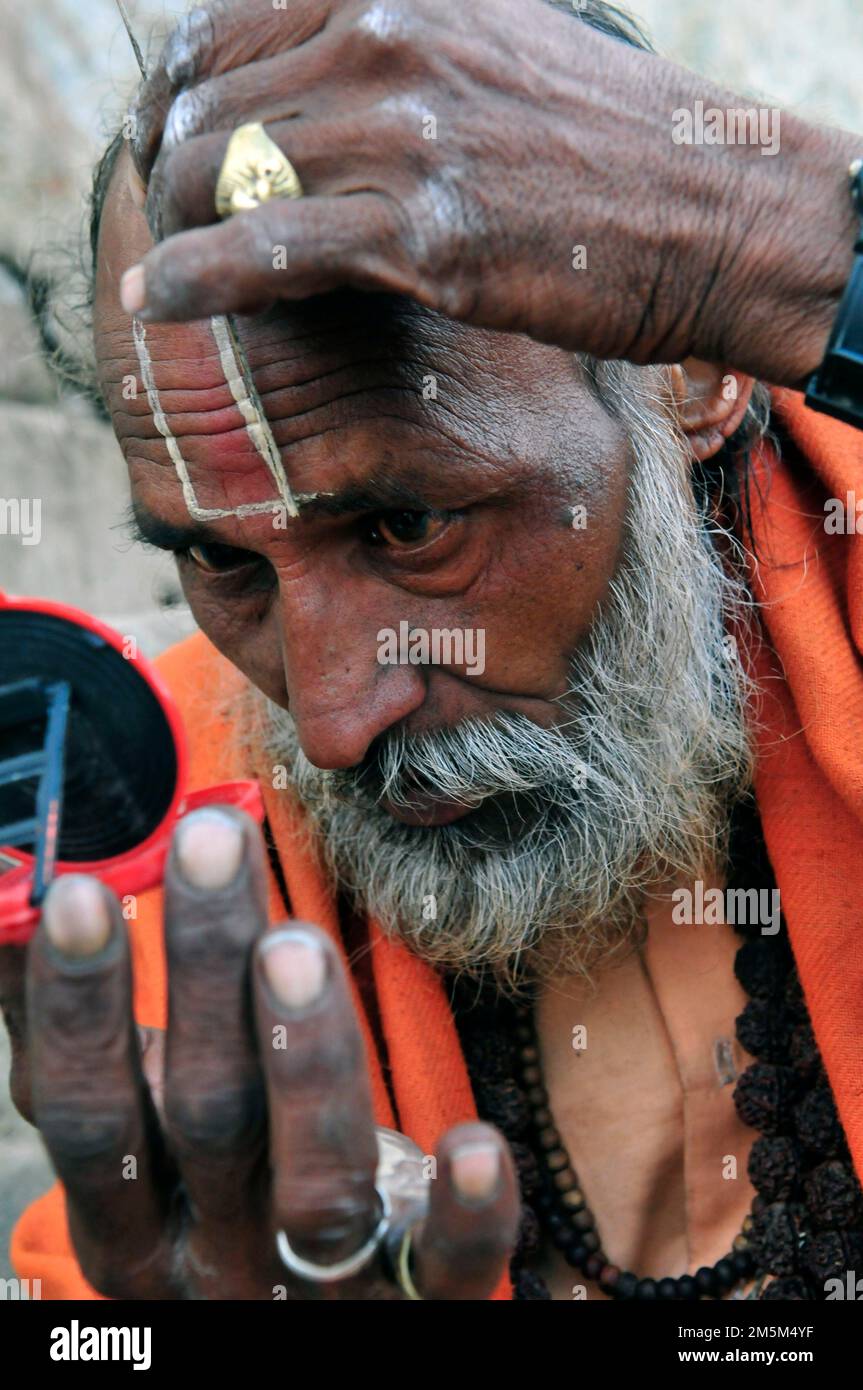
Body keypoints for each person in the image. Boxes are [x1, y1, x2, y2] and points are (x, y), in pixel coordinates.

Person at [4, 0, 863, 1300]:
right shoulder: (173, 846)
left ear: (690, 374)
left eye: (407, 522)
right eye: (224, 565)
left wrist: (787, 238)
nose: (333, 718)